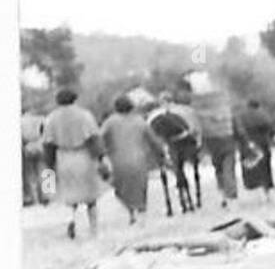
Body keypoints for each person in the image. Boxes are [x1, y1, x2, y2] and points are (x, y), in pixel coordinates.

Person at [41, 88, 105, 239]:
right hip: (83, 156)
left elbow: (48, 145)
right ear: (74, 99)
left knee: (69, 195)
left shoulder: (51, 118)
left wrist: (49, 169)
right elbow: (94, 139)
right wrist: (100, 158)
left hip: (63, 157)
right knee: (90, 197)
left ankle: (71, 220)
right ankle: (93, 229)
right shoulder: (84, 115)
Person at [100, 94, 168, 224]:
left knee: (121, 188)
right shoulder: (140, 121)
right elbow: (153, 141)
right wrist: (161, 154)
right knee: (140, 187)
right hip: (139, 159)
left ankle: (131, 211)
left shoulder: (110, 122)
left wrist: (102, 154)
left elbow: (99, 138)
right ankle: (141, 213)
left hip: (118, 161)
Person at [183, 75, 241, 206]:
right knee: (228, 168)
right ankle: (231, 197)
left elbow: (197, 128)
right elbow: (236, 126)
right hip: (226, 139)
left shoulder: (202, 113)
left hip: (212, 141)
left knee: (218, 168)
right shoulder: (225, 110)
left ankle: (223, 196)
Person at [238, 99, 275, 197]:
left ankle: (256, 193)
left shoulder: (241, 116)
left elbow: (237, 132)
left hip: (247, 147)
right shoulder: (262, 115)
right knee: (265, 169)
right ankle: (266, 192)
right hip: (262, 146)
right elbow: (271, 130)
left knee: (250, 172)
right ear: (258, 106)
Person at [21, 107, 47, 206]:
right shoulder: (42, 118)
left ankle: (34, 198)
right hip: (41, 146)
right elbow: (46, 132)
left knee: (30, 174)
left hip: (28, 147)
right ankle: (47, 196)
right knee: (45, 171)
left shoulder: (21, 121)